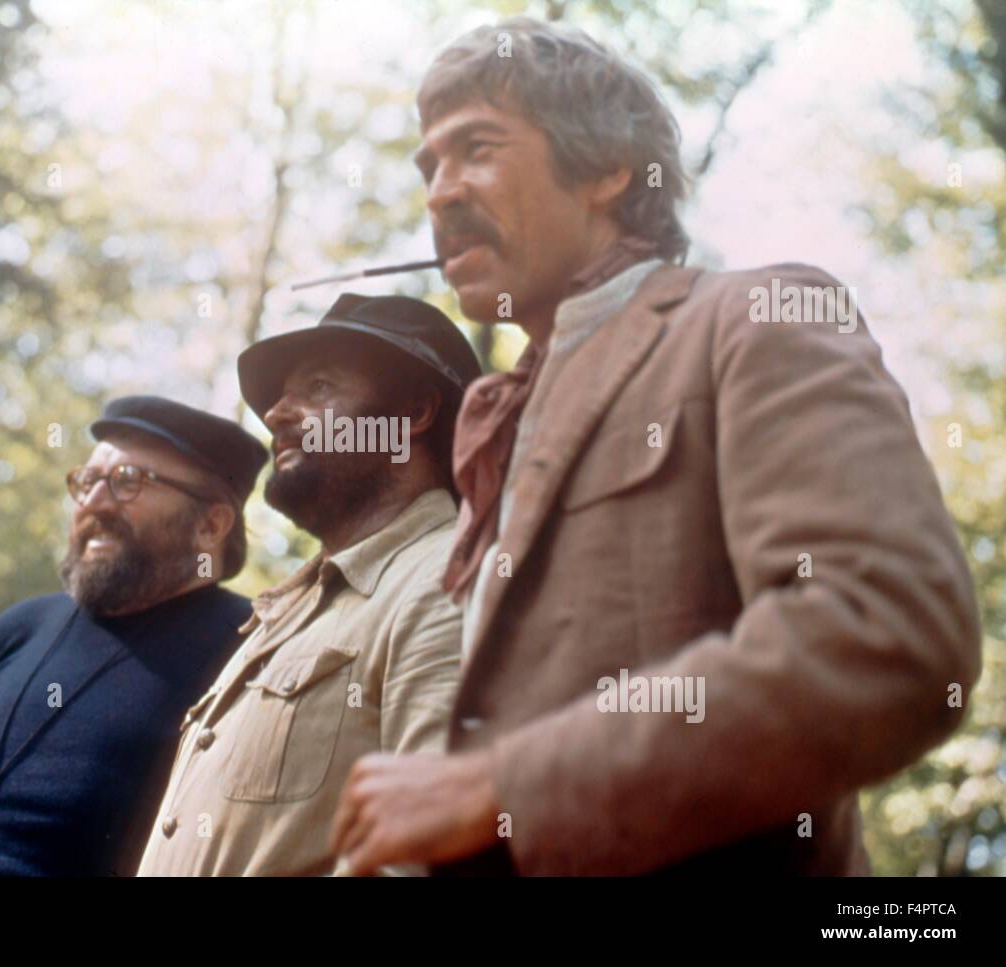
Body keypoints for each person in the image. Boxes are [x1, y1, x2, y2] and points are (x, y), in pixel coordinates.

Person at [330, 18, 982, 876]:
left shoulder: (757, 317)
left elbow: (885, 631)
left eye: (477, 148)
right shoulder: (497, 429)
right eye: (429, 167)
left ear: (607, 169)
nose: (439, 193)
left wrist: (507, 785)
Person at [138, 293, 480, 875]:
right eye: (281, 396)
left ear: (415, 413)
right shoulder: (284, 612)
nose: (276, 413)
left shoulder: (444, 581)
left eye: (319, 388)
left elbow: (427, 855)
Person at [0, 397, 266, 875]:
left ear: (210, 525)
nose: (94, 504)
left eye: (127, 482)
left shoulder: (253, 645)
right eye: (86, 481)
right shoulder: (21, 627)